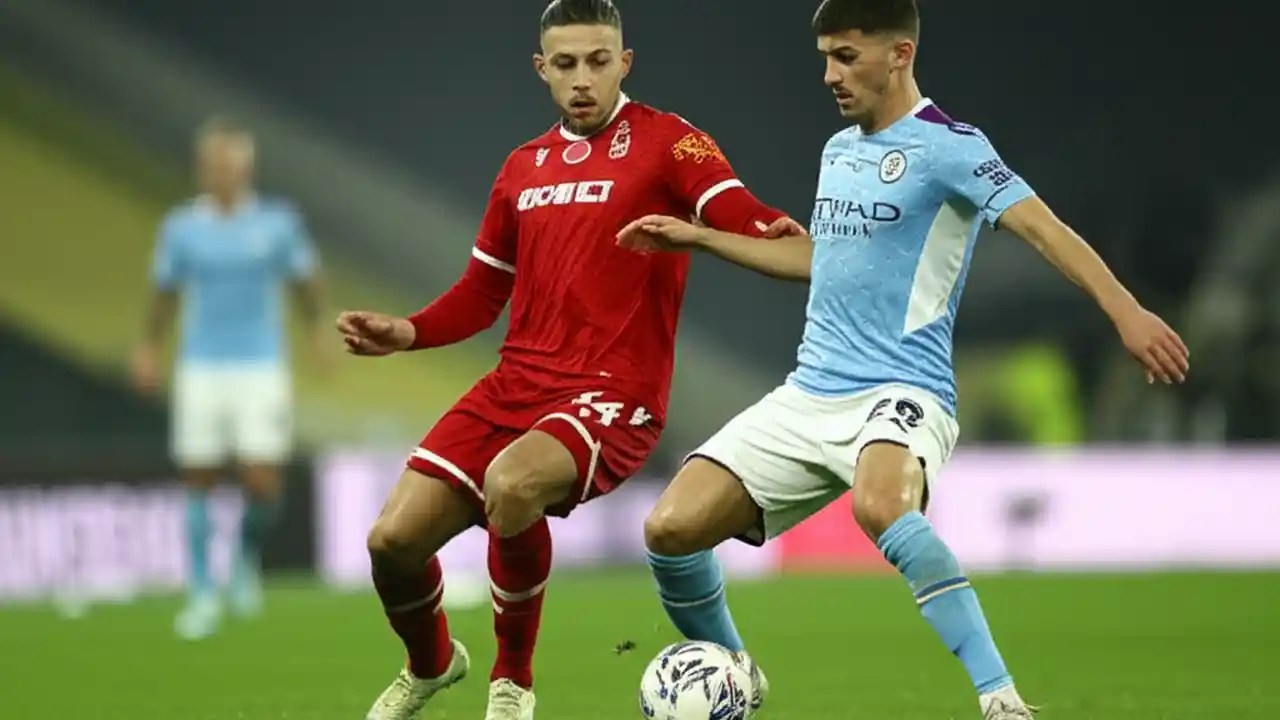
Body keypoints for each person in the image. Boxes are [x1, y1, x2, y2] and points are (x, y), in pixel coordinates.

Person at [618, 0, 1191, 718]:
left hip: (903, 387)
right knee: (670, 529)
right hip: (811, 390)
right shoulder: (839, 152)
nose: (829, 74)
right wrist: (699, 239)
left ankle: (1000, 698)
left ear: (900, 54)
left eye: (847, 57)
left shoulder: (951, 146)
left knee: (881, 503)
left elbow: (1044, 230)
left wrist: (1125, 311)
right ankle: (739, 672)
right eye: (825, 56)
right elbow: (824, 261)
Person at [336, 1, 800, 718]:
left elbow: (732, 205)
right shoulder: (523, 166)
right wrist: (407, 331)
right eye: (566, 63)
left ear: (624, 62)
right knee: (391, 541)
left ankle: (512, 684)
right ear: (541, 69)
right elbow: (482, 292)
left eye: (598, 61)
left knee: (513, 484)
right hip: (517, 381)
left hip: (615, 390)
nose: (583, 78)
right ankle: (430, 664)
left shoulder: (668, 141)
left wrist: (765, 227)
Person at [133, 117, 326, 640]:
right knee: (198, 475)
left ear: (246, 167)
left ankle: (243, 557)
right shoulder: (181, 228)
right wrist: (150, 347)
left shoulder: (277, 223)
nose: (223, 172)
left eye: (231, 163)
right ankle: (200, 591)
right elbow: (165, 293)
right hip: (200, 364)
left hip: (261, 364)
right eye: (214, 163)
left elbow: (305, 281)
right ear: (203, 168)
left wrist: (317, 334)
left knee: (263, 478)